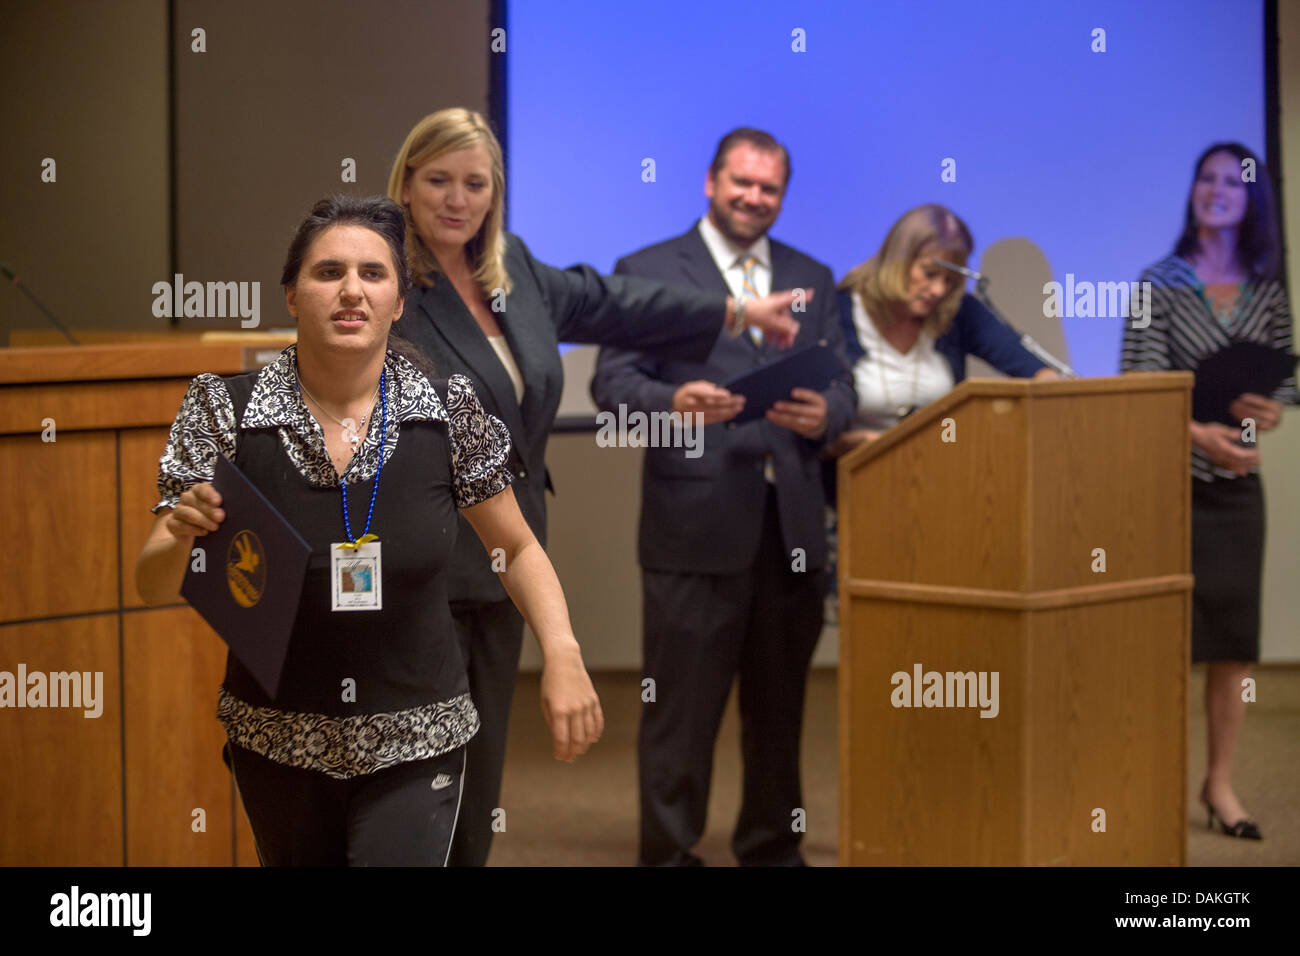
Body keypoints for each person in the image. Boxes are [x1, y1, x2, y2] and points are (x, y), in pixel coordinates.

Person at [386, 108, 808, 866]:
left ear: (495, 193)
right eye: (438, 180)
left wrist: (738, 309)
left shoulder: (509, 269)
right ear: (407, 184)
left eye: (475, 184)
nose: (457, 200)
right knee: (421, 775)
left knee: (479, 777)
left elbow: (620, 301)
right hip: (422, 563)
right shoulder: (387, 275)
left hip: (509, 561)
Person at [135, 195, 605, 866]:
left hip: (420, 738)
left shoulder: (447, 409)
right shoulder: (224, 409)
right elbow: (151, 583)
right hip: (276, 739)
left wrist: (562, 652)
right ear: (292, 295)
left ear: (399, 301)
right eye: (328, 272)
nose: (352, 289)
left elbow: (517, 545)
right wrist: (179, 538)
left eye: (373, 274)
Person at [592, 127, 857, 866]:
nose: (754, 197)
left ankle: (773, 846)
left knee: (781, 711)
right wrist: (675, 398)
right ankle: (670, 853)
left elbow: (844, 384)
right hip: (693, 526)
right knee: (680, 712)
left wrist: (828, 413)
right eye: (741, 182)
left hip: (793, 528)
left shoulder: (813, 274)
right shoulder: (646, 270)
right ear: (710, 183)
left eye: (769, 188)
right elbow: (612, 388)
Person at [1122, 143, 1297, 840]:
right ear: (1192, 190)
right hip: (1169, 486)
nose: (1217, 189)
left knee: (1234, 644)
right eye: (1207, 178)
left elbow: (1283, 384)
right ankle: (1148, 778)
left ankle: (1219, 784)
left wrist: (1272, 411)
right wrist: (1199, 435)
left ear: (1253, 200)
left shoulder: (1268, 289)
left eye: (1234, 181)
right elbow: (1136, 388)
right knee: (1162, 642)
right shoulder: (1157, 282)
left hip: (1239, 489)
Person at [827, 203, 1058, 460]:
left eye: (950, 280)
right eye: (930, 273)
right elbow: (811, 429)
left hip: (939, 476)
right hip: (848, 482)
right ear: (898, 259)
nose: (939, 290)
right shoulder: (836, 312)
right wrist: (848, 444)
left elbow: (1031, 367)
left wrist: (1053, 389)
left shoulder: (959, 312)